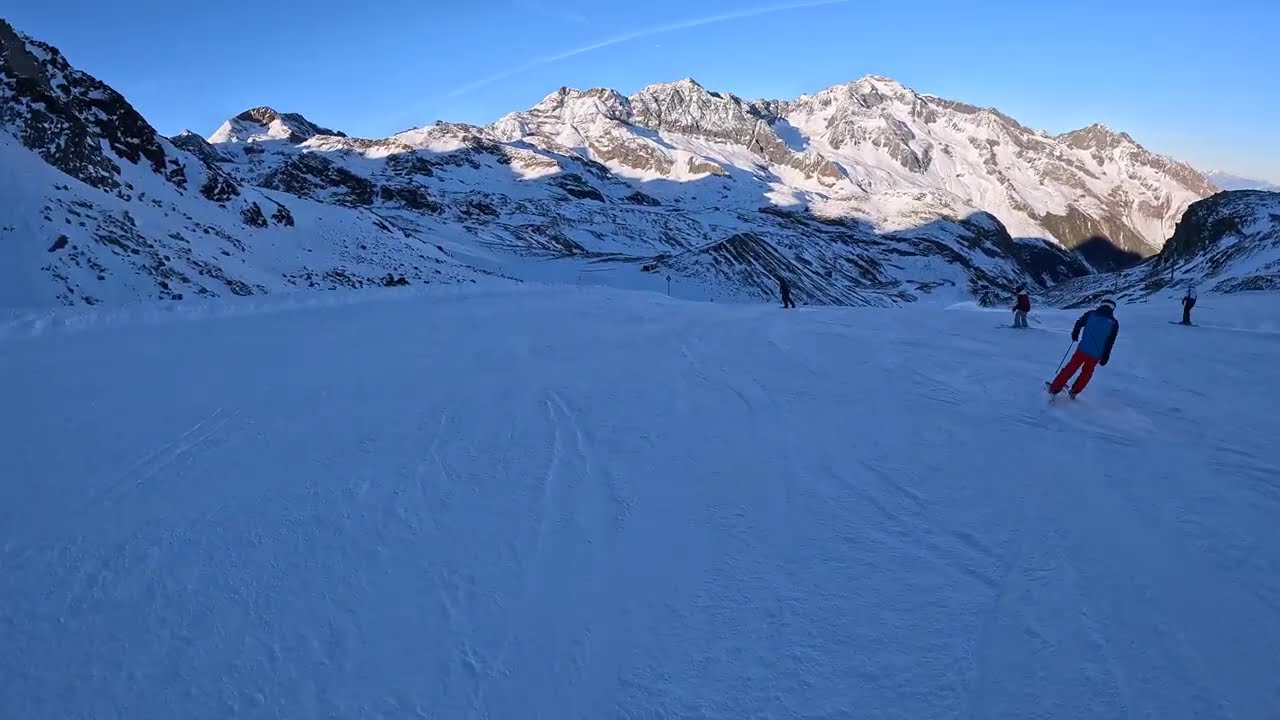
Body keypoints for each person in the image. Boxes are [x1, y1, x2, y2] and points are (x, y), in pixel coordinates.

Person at [1047, 299, 1120, 398]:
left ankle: (1054, 388)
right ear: (1112, 308)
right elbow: (1110, 342)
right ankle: (1075, 391)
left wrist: (1075, 334)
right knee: (1087, 373)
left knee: (1071, 367)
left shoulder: (1091, 314)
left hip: (1082, 349)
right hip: (1096, 354)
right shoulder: (1114, 323)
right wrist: (1105, 356)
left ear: (1101, 305)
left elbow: (1079, 323)